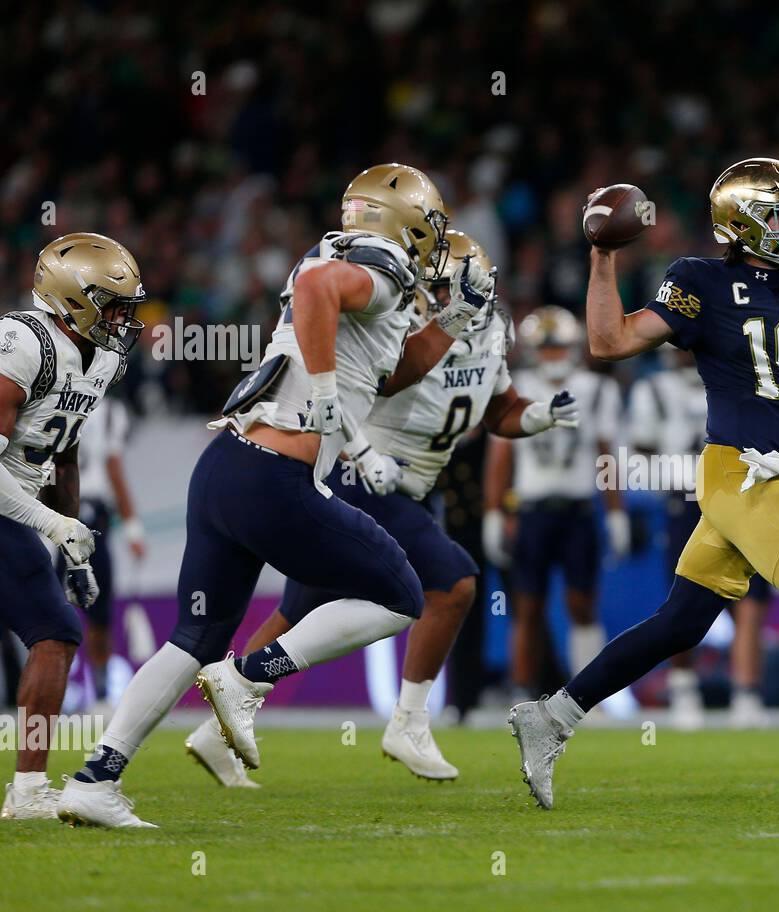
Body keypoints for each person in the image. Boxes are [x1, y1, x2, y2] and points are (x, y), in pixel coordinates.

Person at [59, 164, 493, 827]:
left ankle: (96, 778)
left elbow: (381, 371)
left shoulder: (344, 258)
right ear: (406, 224)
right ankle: (246, 675)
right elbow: (323, 294)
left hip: (226, 468)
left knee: (194, 637)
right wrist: (321, 396)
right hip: (273, 479)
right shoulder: (375, 268)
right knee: (403, 594)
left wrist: (453, 321)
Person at [508, 157, 779, 812]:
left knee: (680, 623)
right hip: (738, 471)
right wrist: (603, 258)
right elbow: (609, 343)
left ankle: (551, 716)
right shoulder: (703, 282)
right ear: (742, 225)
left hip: (769, 473)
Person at [189, 231, 581, 784]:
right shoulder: (402, 323)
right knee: (454, 582)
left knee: (298, 612)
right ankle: (409, 722)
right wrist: (366, 450)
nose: (439, 297)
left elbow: (499, 410)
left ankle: (217, 730)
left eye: (451, 287)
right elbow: (364, 388)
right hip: (366, 476)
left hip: (405, 484)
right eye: (437, 287)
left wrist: (538, 416)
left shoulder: (492, 330)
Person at [0, 233, 145, 821]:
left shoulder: (103, 358)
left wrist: (75, 547)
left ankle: (29, 790)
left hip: (16, 505)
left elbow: (64, 452)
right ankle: (29, 791)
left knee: (55, 632)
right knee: (55, 631)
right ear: (73, 298)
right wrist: (51, 524)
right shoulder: (20, 342)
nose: (122, 320)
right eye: (113, 306)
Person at [482, 306, 627, 702]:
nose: (552, 355)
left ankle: (588, 696)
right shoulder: (515, 385)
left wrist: (615, 512)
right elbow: (501, 457)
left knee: (583, 605)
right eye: (545, 348)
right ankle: (522, 692)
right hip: (531, 510)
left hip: (579, 509)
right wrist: (495, 512)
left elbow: (605, 455)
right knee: (527, 607)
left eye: (558, 346)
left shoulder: (597, 388)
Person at [627, 350, 770, 729]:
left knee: (750, 598)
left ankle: (747, 692)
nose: (688, 351)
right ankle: (685, 687)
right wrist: (678, 477)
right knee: (684, 597)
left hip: (740, 496)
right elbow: (640, 454)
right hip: (686, 500)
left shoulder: (741, 378)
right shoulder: (655, 389)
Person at [66, 392, 147, 710]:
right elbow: (114, 468)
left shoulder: (58, 398)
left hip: (57, 513)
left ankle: (87, 692)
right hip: (83, 515)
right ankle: (96, 694)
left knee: (72, 610)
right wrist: (133, 529)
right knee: (94, 612)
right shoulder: (110, 410)